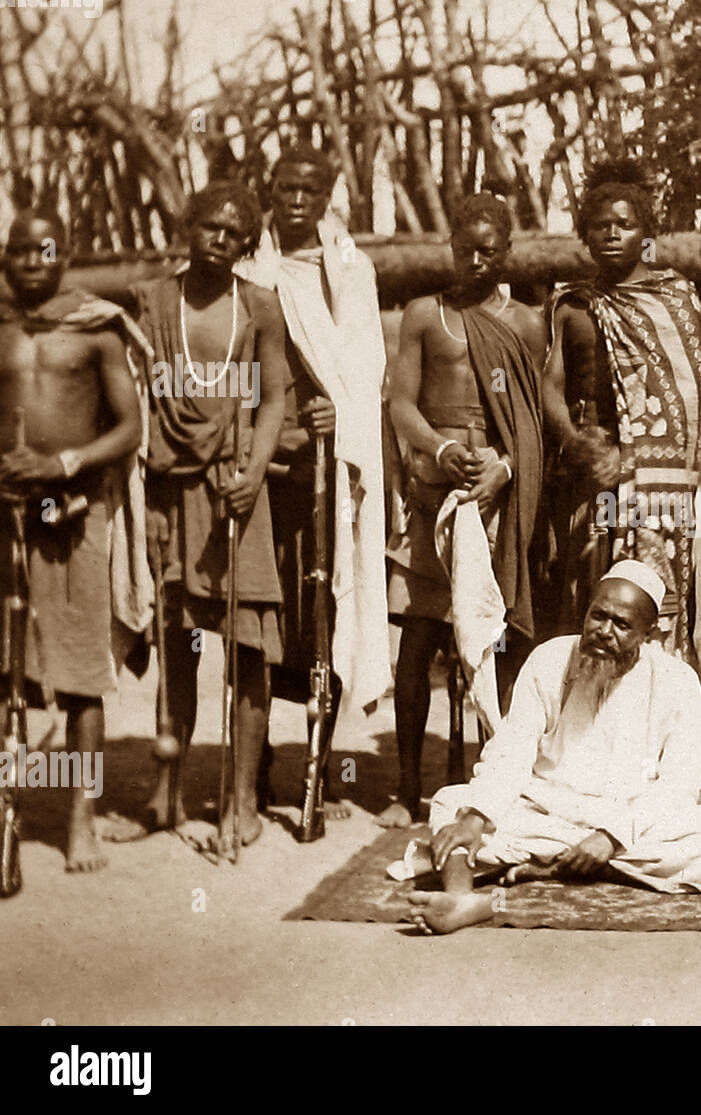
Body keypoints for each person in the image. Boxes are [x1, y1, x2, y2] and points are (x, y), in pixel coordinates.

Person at [407, 560, 701, 934]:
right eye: (598, 616)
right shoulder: (549, 659)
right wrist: (476, 815)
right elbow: (513, 749)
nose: (604, 631)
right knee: (453, 806)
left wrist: (611, 837)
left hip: (629, 821)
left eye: (622, 624)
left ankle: (550, 866)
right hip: (545, 809)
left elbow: (680, 784)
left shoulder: (677, 682)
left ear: (647, 633)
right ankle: (462, 898)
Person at [106, 181, 288, 850]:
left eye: (237, 233)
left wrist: (257, 469)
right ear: (188, 227)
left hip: (237, 487)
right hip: (169, 487)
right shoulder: (153, 300)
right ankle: (165, 795)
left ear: (248, 244)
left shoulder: (261, 306)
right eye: (212, 226)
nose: (223, 238)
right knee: (177, 643)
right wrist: (145, 493)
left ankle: (241, 801)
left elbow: (273, 399)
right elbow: (132, 396)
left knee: (246, 648)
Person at [235, 143, 391, 825]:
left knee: (320, 613)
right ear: (269, 191)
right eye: (285, 187)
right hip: (266, 465)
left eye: (310, 188)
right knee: (259, 616)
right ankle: (254, 760)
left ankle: (317, 769)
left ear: (328, 195)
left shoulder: (351, 272)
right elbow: (234, 364)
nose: (297, 199)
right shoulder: (247, 271)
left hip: (327, 466)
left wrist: (341, 410)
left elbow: (364, 369)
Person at [383, 192, 546, 827]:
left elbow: (531, 421)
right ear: (449, 247)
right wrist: (442, 448)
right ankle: (403, 786)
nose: (477, 261)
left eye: (491, 250)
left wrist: (503, 467)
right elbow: (401, 404)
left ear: (509, 253)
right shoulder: (425, 315)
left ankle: (495, 778)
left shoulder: (527, 323)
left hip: (499, 498)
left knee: (497, 639)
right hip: (434, 495)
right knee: (420, 638)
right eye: (465, 248)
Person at [0, 209, 148, 872]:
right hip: (3, 511)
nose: (32, 261)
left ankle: (81, 816)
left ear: (67, 254)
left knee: (81, 677)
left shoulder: (97, 327)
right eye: (20, 251)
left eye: (45, 250)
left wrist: (62, 466)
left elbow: (129, 429)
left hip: (71, 511)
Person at [539, 160, 701, 658]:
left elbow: (685, 405)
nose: (612, 235)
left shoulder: (673, 300)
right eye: (600, 226)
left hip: (653, 480)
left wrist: (632, 458)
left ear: (645, 234)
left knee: (642, 594)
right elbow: (549, 384)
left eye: (624, 225)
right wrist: (574, 441)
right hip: (586, 467)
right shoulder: (572, 306)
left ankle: (644, 716)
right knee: (584, 587)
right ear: (585, 235)